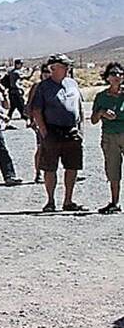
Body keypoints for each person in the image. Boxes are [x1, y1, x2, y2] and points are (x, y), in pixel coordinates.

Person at [29, 54, 84, 212]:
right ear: (53, 68)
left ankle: (68, 201)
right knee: (50, 168)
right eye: (64, 65)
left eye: (68, 66)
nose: (67, 68)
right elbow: (36, 110)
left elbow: (78, 107)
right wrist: (44, 132)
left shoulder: (72, 83)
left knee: (72, 167)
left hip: (72, 131)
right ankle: (50, 201)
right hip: (52, 131)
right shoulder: (43, 87)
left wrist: (80, 130)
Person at [90, 61, 124, 214]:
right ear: (107, 77)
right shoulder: (101, 97)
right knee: (113, 170)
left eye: (119, 74)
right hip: (110, 137)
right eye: (113, 73)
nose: (117, 76)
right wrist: (101, 112)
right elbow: (93, 120)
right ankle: (115, 202)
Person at [27, 63, 51, 182]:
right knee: (41, 147)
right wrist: (31, 120)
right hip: (41, 121)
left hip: (54, 121)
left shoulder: (55, 85)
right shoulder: (37, 86)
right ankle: (38, 173)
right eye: (45, 71)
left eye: (49, 71)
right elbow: (30, 104)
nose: (47, 74)